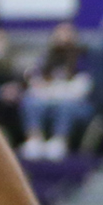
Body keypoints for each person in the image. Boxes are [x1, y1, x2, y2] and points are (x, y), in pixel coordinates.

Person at [20, 26, 91, 160]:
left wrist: (55, 90)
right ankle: (34, 139)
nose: (63, 38)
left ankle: (59, 140)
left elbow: (82, 88)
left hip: (73, 100)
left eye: (67, 34)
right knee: (30, 101)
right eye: (59, 34)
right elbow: (35, 82)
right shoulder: (46, 57)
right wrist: (46, 89)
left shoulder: (82, 57)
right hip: (47, 98)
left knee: (66, 106)